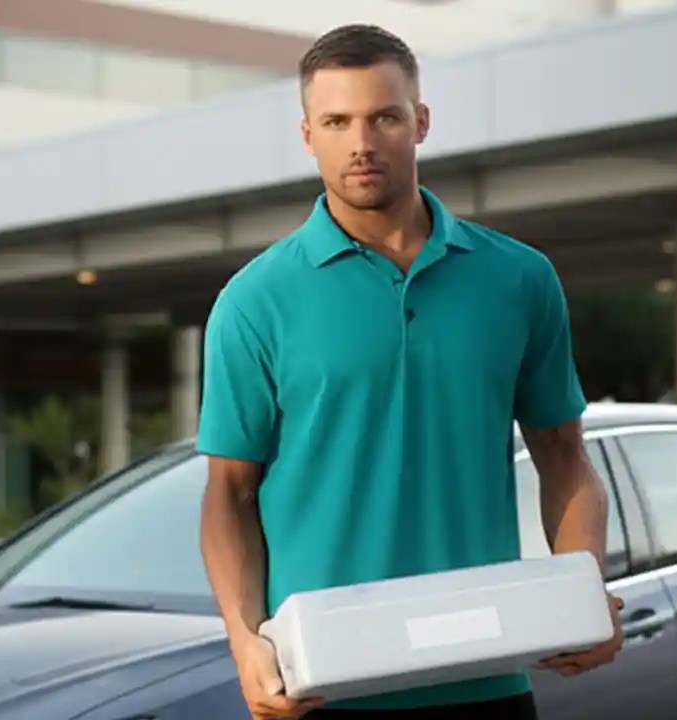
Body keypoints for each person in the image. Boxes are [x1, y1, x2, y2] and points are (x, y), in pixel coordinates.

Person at [197, 23, 624, 720]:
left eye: (383, 117)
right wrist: (246, 643)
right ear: (308, 135)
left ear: (419, 122)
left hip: (485, 684)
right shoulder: (255, 300)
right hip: (324, 687)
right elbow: (229, 498)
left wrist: (582, 593)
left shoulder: (518, 279)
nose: (361, 143)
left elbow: (565, 458)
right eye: (336, 121)